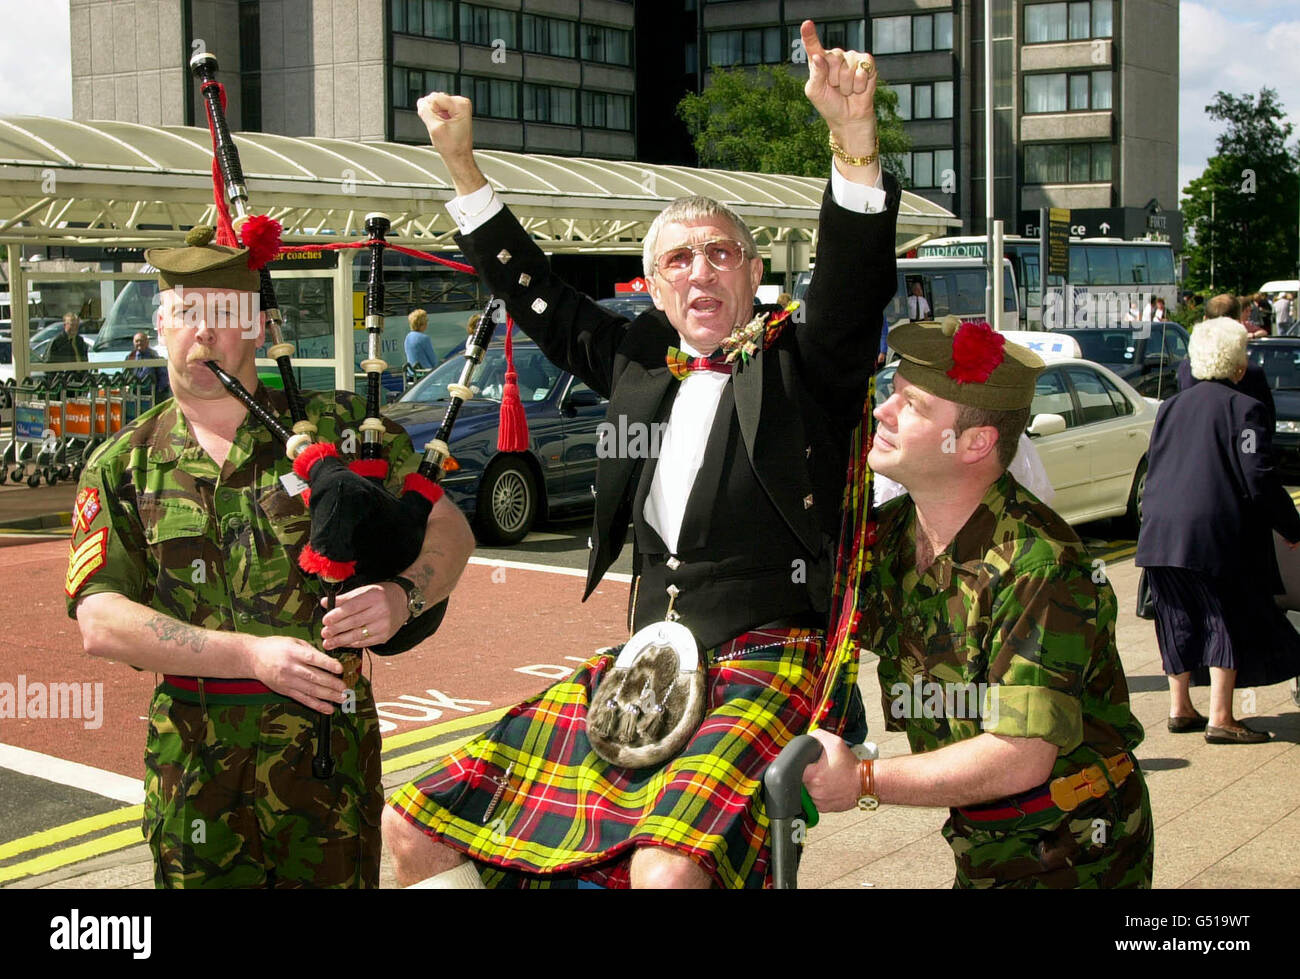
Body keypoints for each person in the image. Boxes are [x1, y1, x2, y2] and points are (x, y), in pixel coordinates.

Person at [384, 19, 899, 889]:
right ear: (654, 286)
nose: (702, 273)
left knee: (665, 872)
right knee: (412, 830)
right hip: (643, 671)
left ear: (753, 268)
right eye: (679, 261)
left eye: (721, 254)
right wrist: (461, 165)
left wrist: (853, 141)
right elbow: (535, 293)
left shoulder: (806, 366)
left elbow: (851, 287)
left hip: (771, 659)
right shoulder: (636, 360)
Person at [65, 225, 475, 888]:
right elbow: (100, 618)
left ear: (257, 325)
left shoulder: (342, 429)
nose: (204, 336)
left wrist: (406, 595)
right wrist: (249, 656)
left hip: (326, 764)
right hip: (195, 771)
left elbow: (448, 528)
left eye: (224, 315)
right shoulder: (124, 465)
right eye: (185, 313)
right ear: (161, 322)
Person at [803, 317, 1153, 888]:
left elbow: (1020, 754)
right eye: (892, 393)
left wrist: (863, 779)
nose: (884, 413)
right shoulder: (887, 537)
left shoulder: (1038, 563)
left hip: (1073, 847)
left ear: (975, 442)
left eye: (912, 405)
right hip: (983, 837)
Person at [1137, 317, 1300, 744]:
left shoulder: (1171, 406)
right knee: (1221, 616)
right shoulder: (1244, 408)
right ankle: (1222, 718)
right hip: (1212, 533)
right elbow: (1258, 477)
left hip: (1159, 530)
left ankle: (1180, 707)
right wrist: (1291, 525)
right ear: (1239, 365)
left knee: (1174, 616)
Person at [127, 330, 170, 398]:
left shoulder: (154, 356)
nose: (139, 343)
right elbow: (126, 375)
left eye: (141, 340)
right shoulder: (130, 357)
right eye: (136, 341)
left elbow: (163, 376)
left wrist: (158, 392)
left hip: (151, 394)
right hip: (134, 395)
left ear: (147, 342)